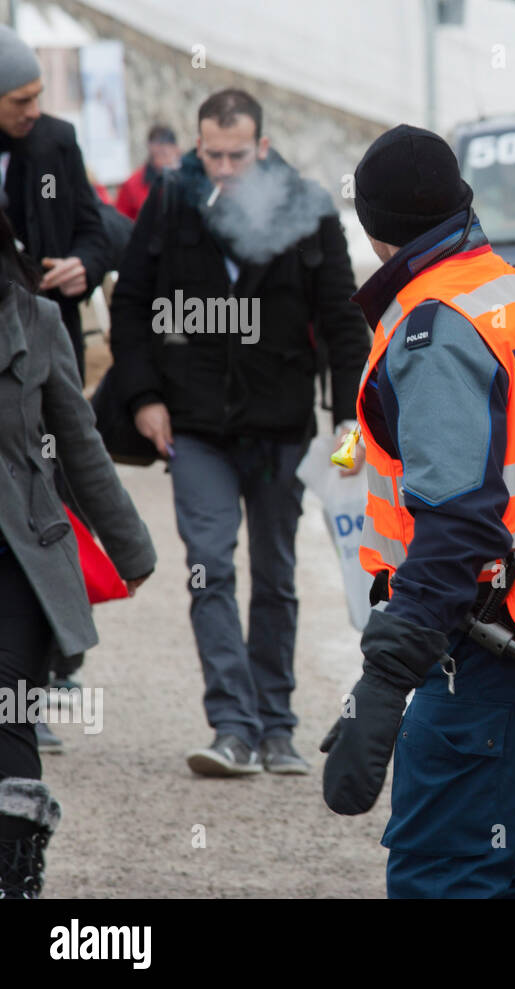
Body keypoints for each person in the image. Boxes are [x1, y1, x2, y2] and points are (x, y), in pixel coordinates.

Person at [319, 125, 515, 899]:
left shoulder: (433, 325)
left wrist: (387, 673)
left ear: (374, 229)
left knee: (443, 877)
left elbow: (457, 520)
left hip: (492, 639)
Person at [109, 89, 370, 777]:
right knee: (210, 566)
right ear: (198, 146)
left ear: (262, 146)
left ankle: (276, 725)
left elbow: (345, 325)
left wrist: (349, 424)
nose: (221, 168)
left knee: (276, 575)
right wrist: (142, 396)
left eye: (235, 154)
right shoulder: (170, 201)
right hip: (193, 424)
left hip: (280, 424)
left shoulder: (307, 210)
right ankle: (232, 724)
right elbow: (131, 303)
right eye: (210, 153)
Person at [0, 206, 155, 898]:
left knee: (7, 714)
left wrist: (130, 545)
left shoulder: (35, 320)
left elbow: (80, 442)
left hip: (18, 559)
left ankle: (13, 876)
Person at [0, 25, 111, 382]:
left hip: (54, 342)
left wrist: (83, 265)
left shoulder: (57, 142)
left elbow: (92, 229)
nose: (33, 111)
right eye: (21, 101)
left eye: (38, 97)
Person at [115, 124, 180, 222]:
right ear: (150, 148)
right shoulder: (132, 185)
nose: (163, 150)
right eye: (158, 145)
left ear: (175, 149)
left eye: (167, 145)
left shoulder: (186, 179)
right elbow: (120, 223)